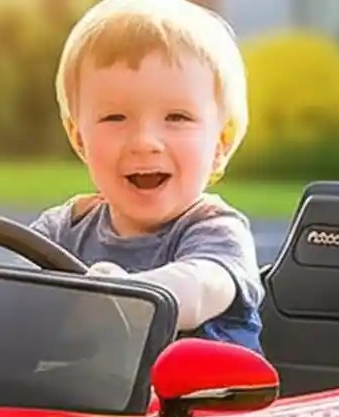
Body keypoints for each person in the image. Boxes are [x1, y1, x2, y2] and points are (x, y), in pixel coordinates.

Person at [31, 0, 264, 353]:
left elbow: (202, 287)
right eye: (114, 118)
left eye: (177, 118)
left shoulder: (215, 231)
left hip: (197, 404)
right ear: (80, 139)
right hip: (79, 400)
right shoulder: (63, 230)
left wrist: (130, 298)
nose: (144, 143)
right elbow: (10, 288)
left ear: (221, 140)